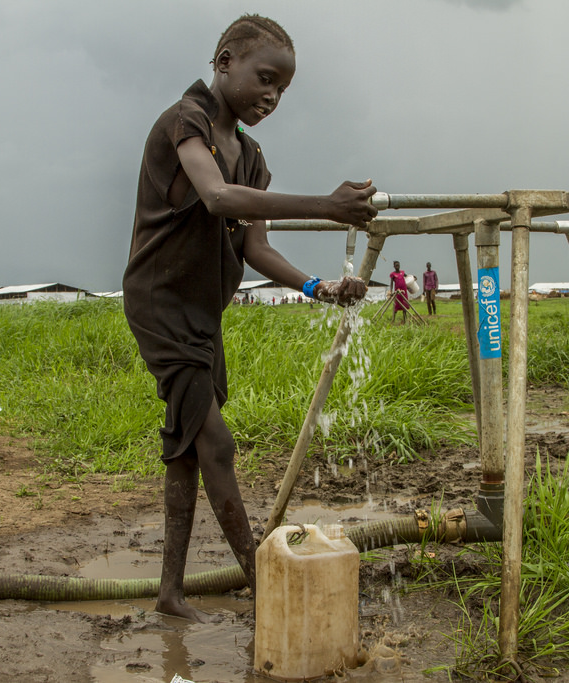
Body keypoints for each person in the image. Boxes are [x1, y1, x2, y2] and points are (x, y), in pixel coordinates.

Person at [122, 14, 377, 623]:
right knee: (216, 442)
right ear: (225, 60)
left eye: (282, 90)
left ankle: (170, 593)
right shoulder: (187, 122)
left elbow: (254, 248)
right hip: (160, 304)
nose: (272, 96)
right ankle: (267, 588)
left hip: (204, 313)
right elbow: (217, 199)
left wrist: (321, 287)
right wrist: (327, 206)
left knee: (186, 447)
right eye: (265, 79)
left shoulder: (253, 156)